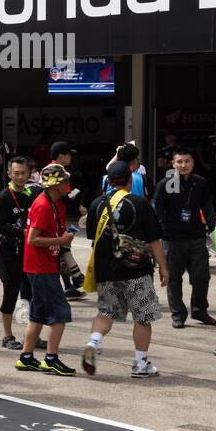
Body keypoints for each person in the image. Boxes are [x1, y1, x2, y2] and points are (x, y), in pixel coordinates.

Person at [80, 161, 169, 378]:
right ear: (131, 180)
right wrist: (163, 267)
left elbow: (93, 238)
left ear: (109, 181)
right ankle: (140, 364)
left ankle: (94, 341)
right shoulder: (140, 203)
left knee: (106, 311)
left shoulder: (96, 204)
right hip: (135, 269)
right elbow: (154, 239)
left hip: (106, 269)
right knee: (142, 317)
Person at [16, 164, 78, 376]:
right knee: (60, 313)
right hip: (40, 268)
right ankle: (51, 359)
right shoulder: (43, 205)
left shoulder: (52, 203)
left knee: (38, 314)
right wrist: (61, 240)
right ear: (55, 184)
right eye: (64, 181)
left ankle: (26, 357)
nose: (67, 184)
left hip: (42, 266)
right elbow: (33, 239)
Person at [153, 147, 216, 328]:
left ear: (193, 163)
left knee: (201, 277)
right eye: (179, 162)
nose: (183, 165)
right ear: (173, 164)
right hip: (172, 239)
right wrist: (162, 231)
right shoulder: (165, 184)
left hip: (196, 237)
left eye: (187, 161)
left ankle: (199, 311)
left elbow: (208, 208)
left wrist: (214, 230)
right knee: (174, 278)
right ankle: (178, 314)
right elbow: (157, 210)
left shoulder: (200, 183)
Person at [0, 157, 37, 349]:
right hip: (10, 251)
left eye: (23, 173)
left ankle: (31, 333)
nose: (19, 177)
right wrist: (23, 232)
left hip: (29, 251)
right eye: (15, 173)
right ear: (9, 174)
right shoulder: (3, 197)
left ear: (29, 174)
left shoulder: (33, 194)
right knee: (10, 291)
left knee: (32, 292)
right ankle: (7, 335)